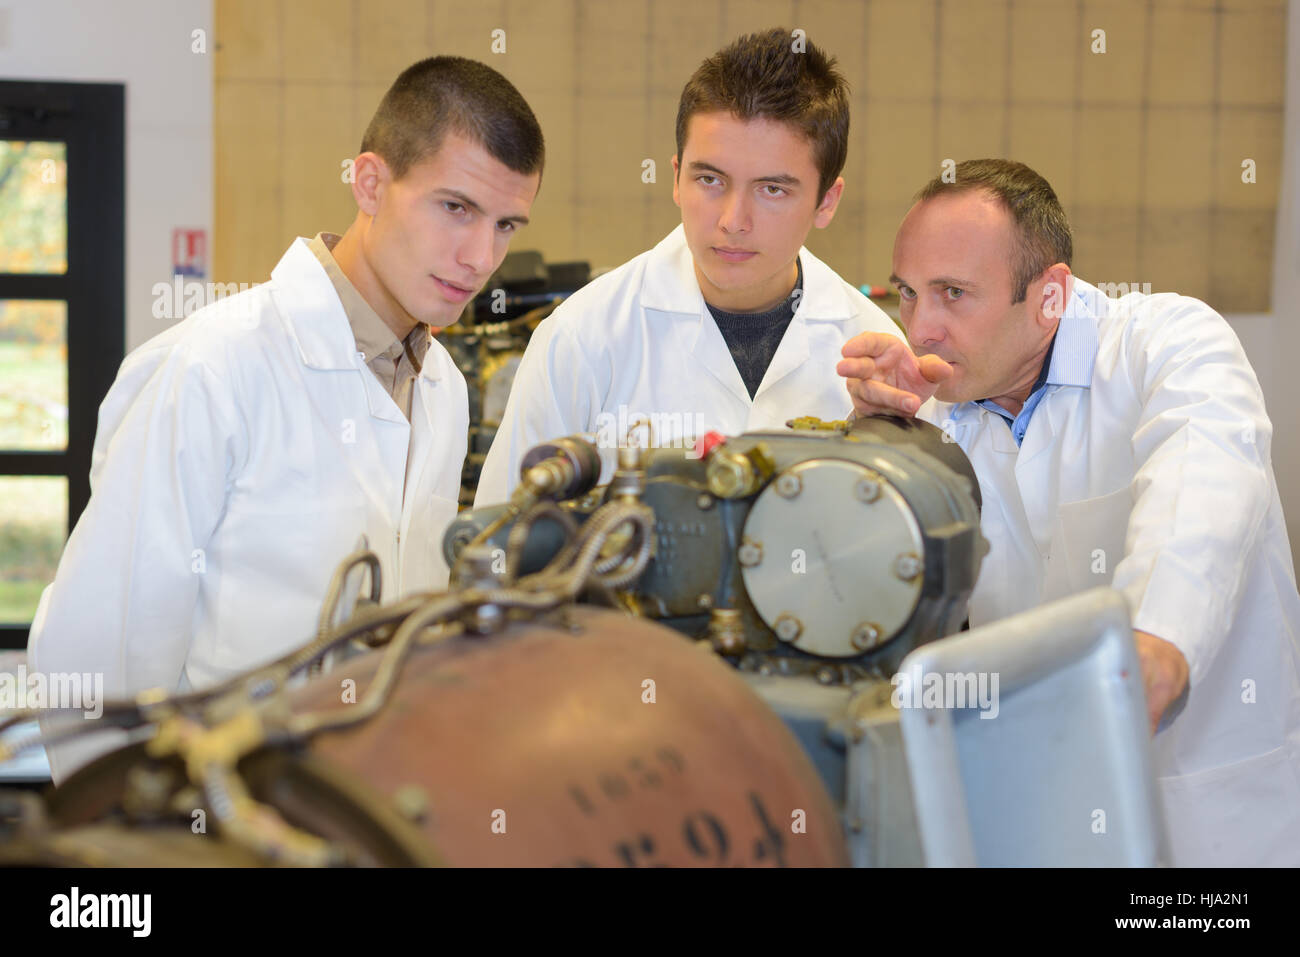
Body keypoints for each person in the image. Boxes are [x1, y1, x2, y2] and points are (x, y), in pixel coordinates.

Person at [28, 56, 544, 782]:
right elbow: (98, 650)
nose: (481, 256)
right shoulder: (213, 366)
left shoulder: (445, 388)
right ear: (370, 183)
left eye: (506, 225)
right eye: (455, 208)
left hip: (364, 811)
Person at [837, 158, 1300, 866]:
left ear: (1050, 296)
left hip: (1211, 814)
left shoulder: (1170, 343)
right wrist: (888, 447)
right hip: (1041, 805)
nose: (920, 327)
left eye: (953, 293)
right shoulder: (945, 410)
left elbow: (1203, 487)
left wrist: (1154, 650)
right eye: (909, 293)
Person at [474, 28, 903, 505]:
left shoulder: (876, 356)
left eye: (772, 189)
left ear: (826, 201)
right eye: (710, 179)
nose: (733, 222)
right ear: (677, 177)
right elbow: (502, 540)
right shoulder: (581, 338)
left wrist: (889, 433)